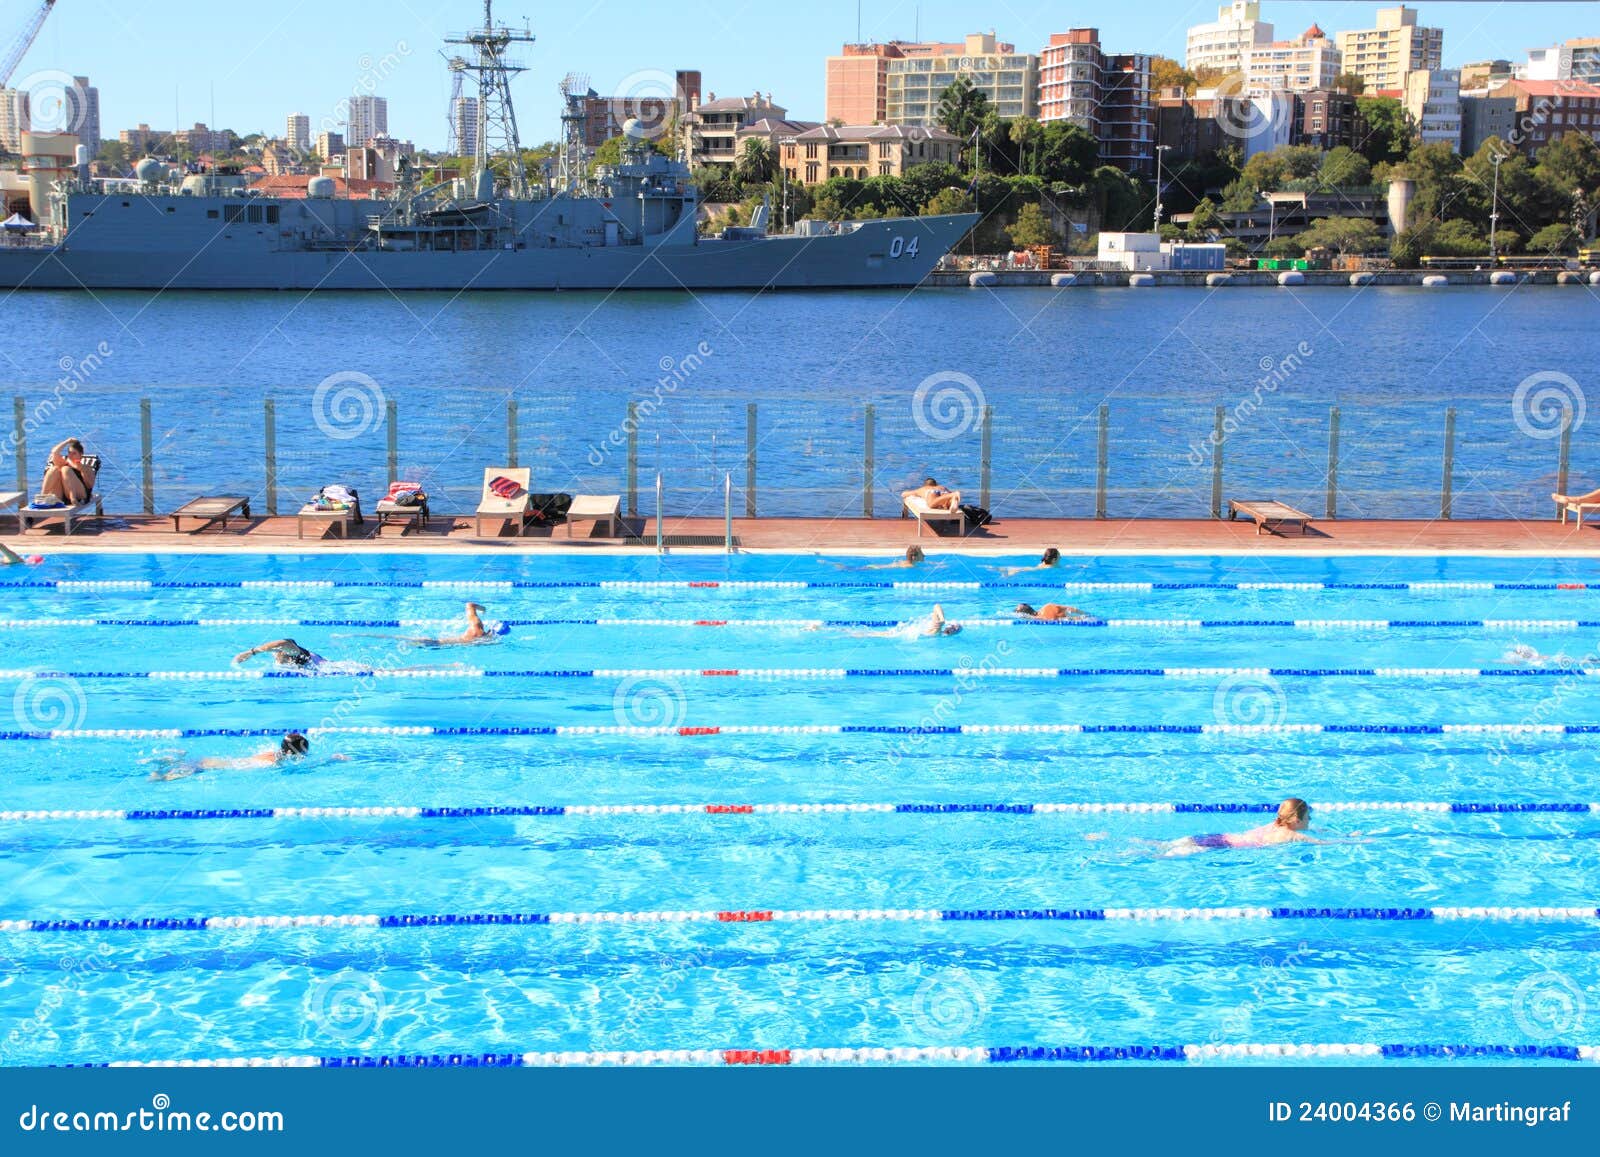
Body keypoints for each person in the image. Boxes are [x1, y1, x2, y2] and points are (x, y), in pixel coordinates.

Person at [1162, 798, 1326, 857]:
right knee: (1158, 857)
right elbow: (1322, 843)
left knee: (1161, 846)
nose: (1310, 820)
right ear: (1297, 820)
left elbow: (1315, 831)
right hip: (1219, 848)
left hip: (1219, 837)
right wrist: (1350, 841)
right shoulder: (1290, 835)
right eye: (1308, 817)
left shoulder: (1276, 824)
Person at [149, 732, 343, 781]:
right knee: (162, 779)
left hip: (211, 760)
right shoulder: (275, 761)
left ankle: (170, 760)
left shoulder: (273, 753)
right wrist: (331, 760)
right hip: (211, 767)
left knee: (184, 765)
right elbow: (306, 768)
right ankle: (160, 772)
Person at [852, 604, 962, 638]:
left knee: (873, 634)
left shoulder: (938, 631)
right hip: (903, 634)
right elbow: (936, 606)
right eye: (954, 627)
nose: (953, 629)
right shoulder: (937, 630)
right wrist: (942, 619)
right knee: (871, 634)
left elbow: (936, 607)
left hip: (905, 633)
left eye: (955, 629)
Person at [39, 438, 96, 505]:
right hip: (61, 497)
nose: (70, 456)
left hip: (80, 496)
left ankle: (73, 499)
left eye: (74, 453)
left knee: (65, 469)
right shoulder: (65, 463)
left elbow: (89, 486)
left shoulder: (86, 468)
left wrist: (81, 470)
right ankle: (42, 497)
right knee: (54, 469)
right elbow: (54, 452)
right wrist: (68, 441)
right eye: (69, 453)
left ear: (80, 455)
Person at [831, 545, 938, 571]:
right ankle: (842, 567)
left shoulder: (906, 562)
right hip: (875, 569)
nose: (924, 555)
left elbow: (927, 564)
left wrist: (936, 564)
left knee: (853, 569)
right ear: (914, 557)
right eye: (921, 553)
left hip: (875, 567)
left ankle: (842, 566)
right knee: (853, 570)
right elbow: (923, 569)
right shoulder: (909, 566)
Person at [996, 548, 1061, 578]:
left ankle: (1005, 572)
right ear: (1053, 560)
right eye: (1059, 556)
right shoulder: (1051, 567)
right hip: (1031, 571)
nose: (1060, 558)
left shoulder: (1043, 563)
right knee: (1010, 575)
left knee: (1014, 571)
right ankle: (1006, 573)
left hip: (1030, 569)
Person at [1014, 602, 1092, 622]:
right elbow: (1071, 609)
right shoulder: (1048, 606)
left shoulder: (1040, 619)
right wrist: (1085, 614)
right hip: (1085, 617)